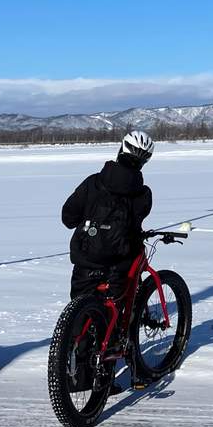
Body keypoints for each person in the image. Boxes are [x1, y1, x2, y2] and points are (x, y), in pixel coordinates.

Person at [61, 129, 155, 301]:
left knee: (80, 313)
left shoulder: (92, 182)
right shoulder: (143, 194)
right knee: (117, 311)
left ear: (121, 150)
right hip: (120, 265)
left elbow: (68, 218)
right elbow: (136, 224)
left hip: (85, 261)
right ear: (145, 161)